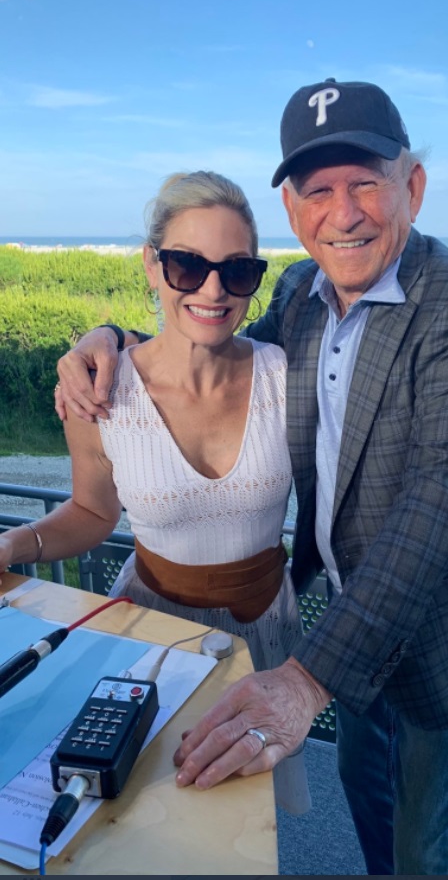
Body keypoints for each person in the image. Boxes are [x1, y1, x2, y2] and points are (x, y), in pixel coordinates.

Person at [55, 80, 448, 875]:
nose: (342, 211)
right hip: (351, 617)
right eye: (318, 190)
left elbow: (438, 504)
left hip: (442, 633)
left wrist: (306, 679)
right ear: (292, 210)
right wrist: (109, 338)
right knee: (366, 799)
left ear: (412, 188)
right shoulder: (298, 295)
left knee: (426, 847)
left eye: (364, 183)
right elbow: (208, 345)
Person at [0, 169, 309, 815]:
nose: (213, 289)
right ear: (151, 264)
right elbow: (92, 511)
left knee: (240, 822)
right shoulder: (100, 390)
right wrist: (14, 544)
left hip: (262, 636)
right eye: (186, 264)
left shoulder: (285, 376)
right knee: (140, 809)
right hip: (147, 632)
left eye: (238, 271)